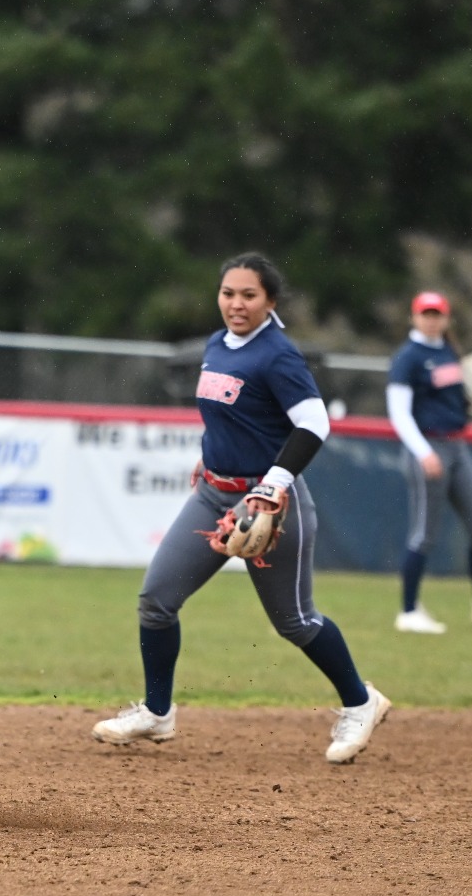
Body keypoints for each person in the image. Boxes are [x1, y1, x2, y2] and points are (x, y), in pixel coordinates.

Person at [92, 252, 390, 763]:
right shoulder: (217, 344)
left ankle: (361, 701)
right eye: (228, 293)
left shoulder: (277, 355)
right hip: (214, 494)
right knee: (156, 602)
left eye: (249, 295)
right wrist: (211, 459)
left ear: (270, 300)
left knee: (295, 620)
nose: (236, 303)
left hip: (270, 502)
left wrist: (273, 484)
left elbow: (314, 423)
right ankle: (158, 713)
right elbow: (232, 418)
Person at [386, 292, 472, 634]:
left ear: (446, 318)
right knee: (423, 534)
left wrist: (471, 402)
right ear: (414, 317)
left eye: (437, 314)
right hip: (428, 447)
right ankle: (408, 611)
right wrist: (423, 452)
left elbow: (459, 400)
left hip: (457, 447)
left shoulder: (449, 351)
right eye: (426, 314)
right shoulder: (408, 357)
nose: (432, 320)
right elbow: (399, 413)